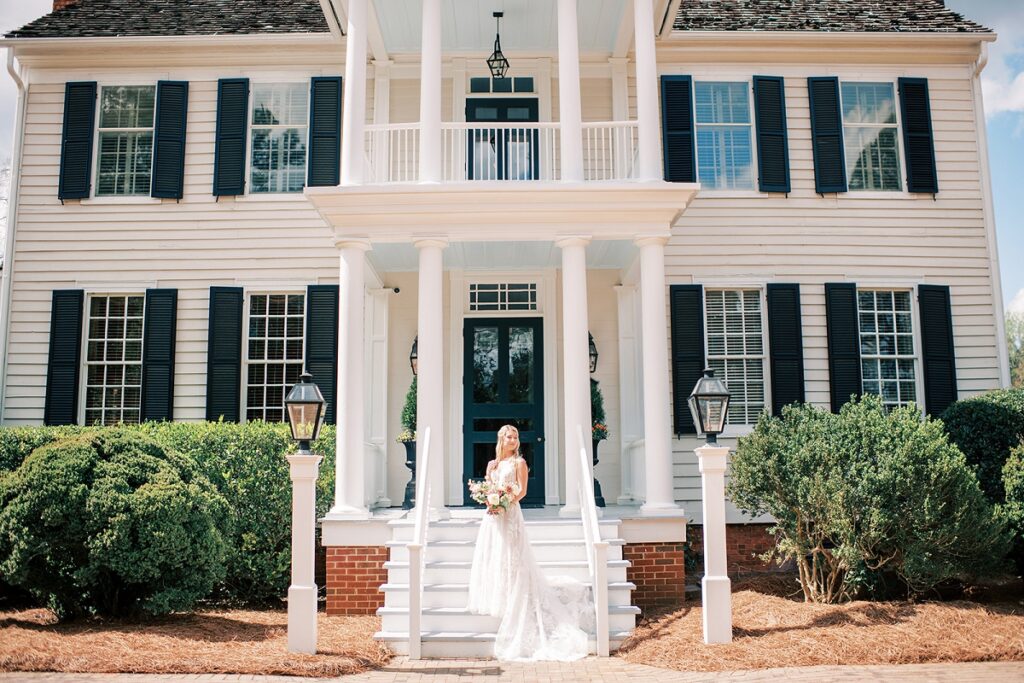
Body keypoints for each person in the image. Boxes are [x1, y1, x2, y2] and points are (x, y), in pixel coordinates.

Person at [466, 424, 593, 661]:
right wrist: (489, 500)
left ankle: (516, 595)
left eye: (515, 437)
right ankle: (500, 595)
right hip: (493, 516)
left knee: (513, 554)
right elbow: (489, 487)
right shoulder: (492, 464)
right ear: (501, 439)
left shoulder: (519, 463)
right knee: (497, 552)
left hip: (510, 513)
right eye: (508, 436)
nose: (513, 440)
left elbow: (522, 491)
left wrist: (503, 503)